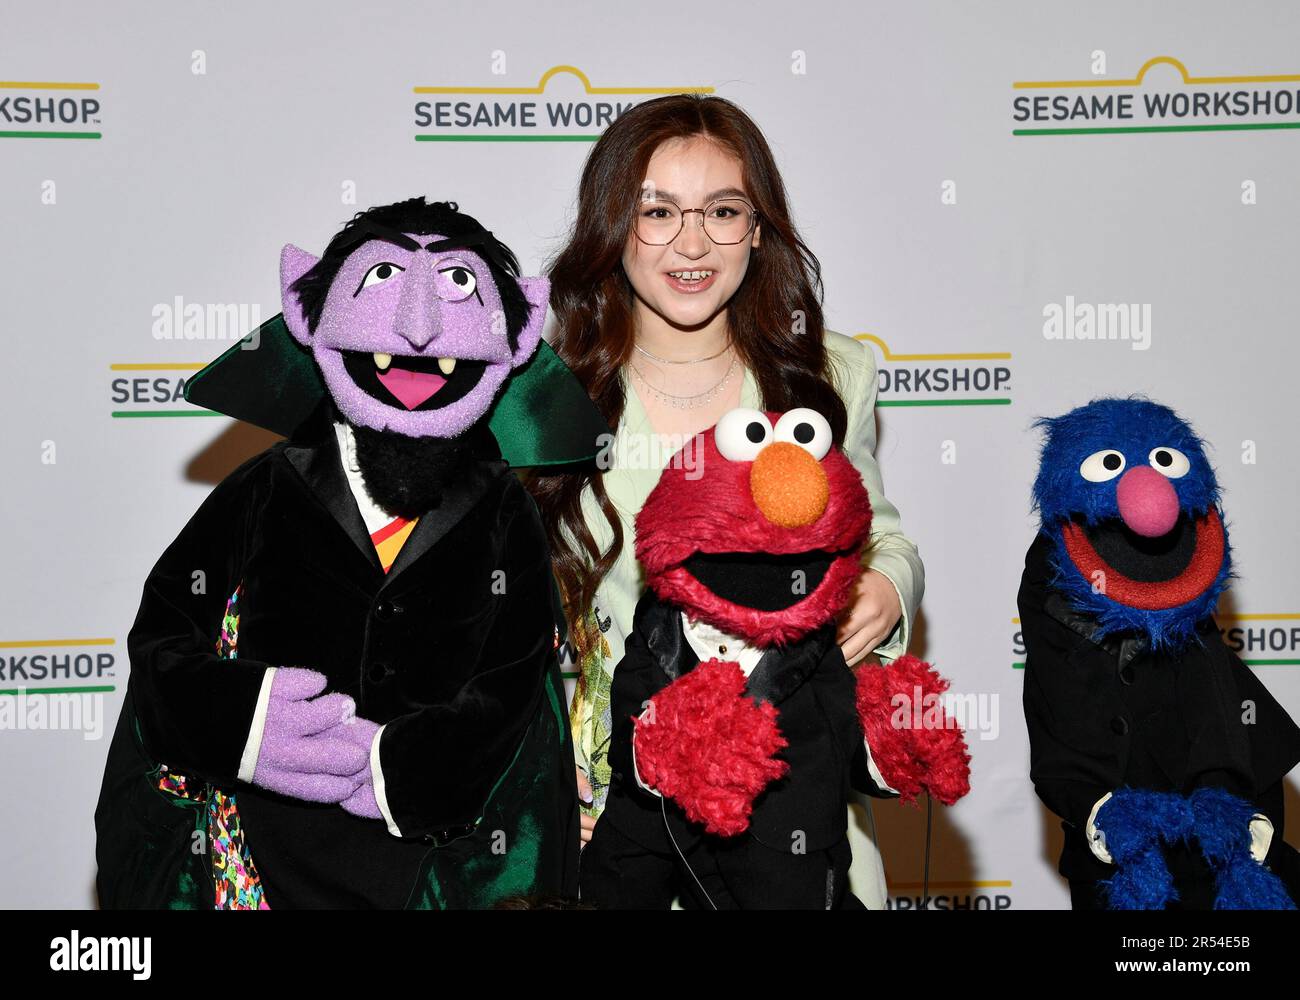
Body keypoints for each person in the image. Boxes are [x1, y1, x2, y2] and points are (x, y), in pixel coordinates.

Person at [526, 93, 925, 907]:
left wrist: (888, 592)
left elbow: (883, 542)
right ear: (611, 224)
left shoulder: (826, 373)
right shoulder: (547, 389)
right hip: (615, 801)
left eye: (723, 210)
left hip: (795, 796)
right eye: (658, 211)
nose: (693, 242)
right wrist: (536, 762)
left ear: (757, 227)